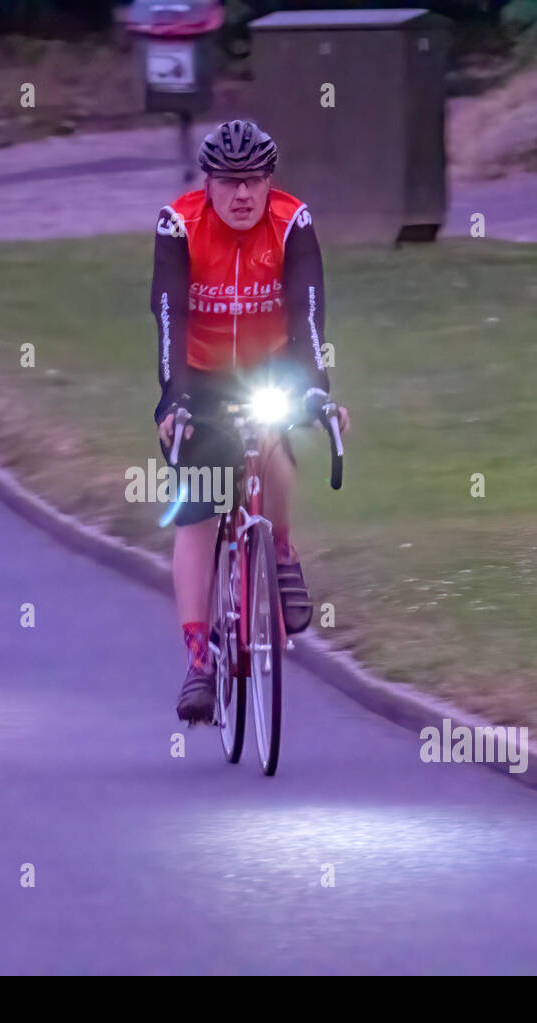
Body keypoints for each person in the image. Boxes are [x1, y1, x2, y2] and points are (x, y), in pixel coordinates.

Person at [151, 119, 350, 723]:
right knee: (202, 504)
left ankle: (282, 554)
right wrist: (172, 399)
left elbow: (308, 308)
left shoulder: (293, 221)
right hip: (199, 382)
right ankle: (199, 659)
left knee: (273, 442)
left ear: (271, 182)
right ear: (207, 183)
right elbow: (167, 313)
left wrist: (317, 389)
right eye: (229, 182)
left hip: (270, 370)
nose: (242, 195)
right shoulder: (178, 223)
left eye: (255, 181)